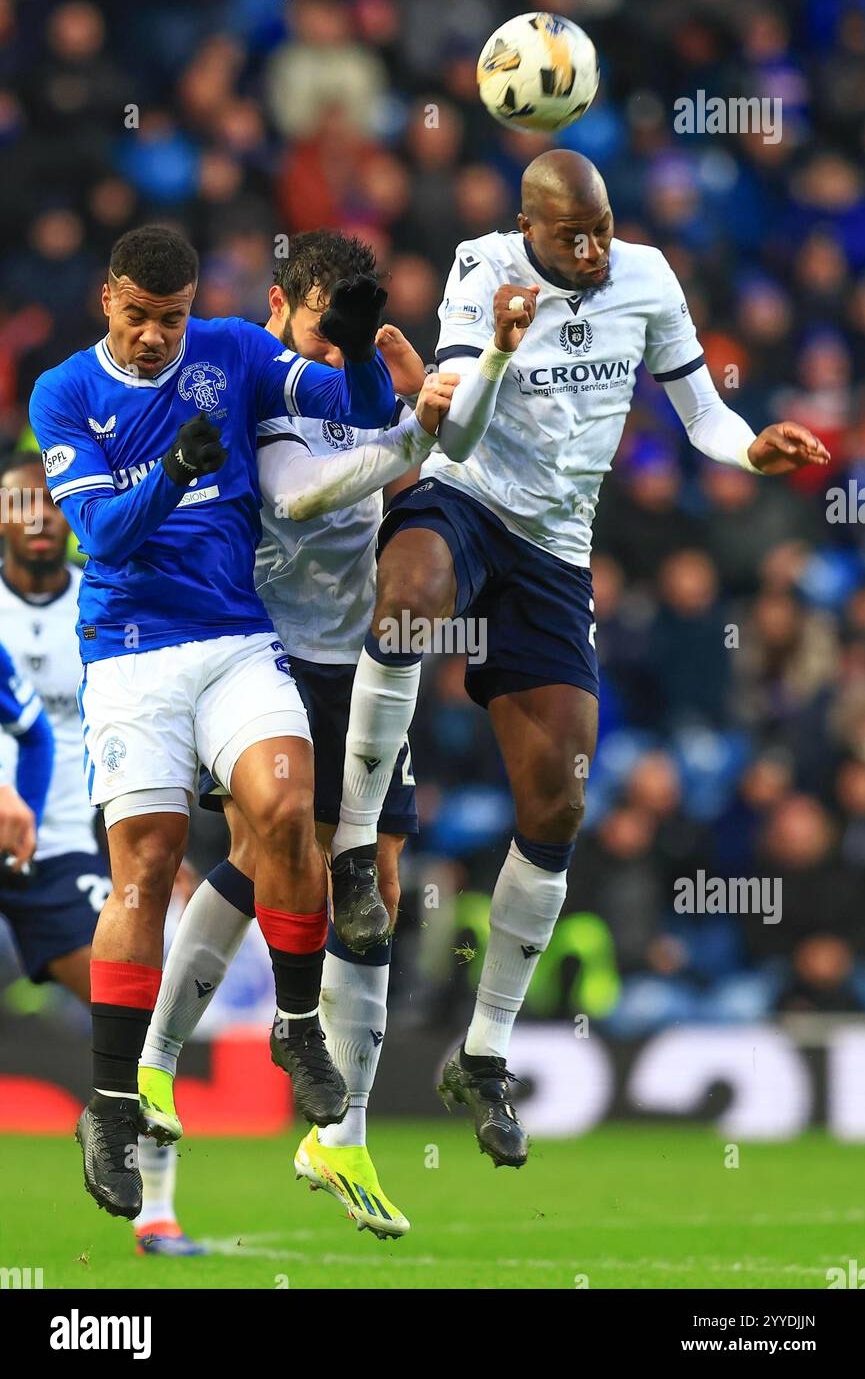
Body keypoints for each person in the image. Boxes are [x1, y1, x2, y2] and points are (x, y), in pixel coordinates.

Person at [329, 149, 830, 1169]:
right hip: (466, 504)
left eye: (601, 226)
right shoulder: (479, 267)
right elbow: (451, 429)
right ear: (528, 228)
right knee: (408, 593)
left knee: (556, 803)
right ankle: (349, 845)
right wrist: (503, 350)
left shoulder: (644, 277)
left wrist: (749, 450)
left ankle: (482, 1052)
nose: (592, 248)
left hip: (555, 551)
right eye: (571, 235)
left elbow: (699, 413)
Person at [28, 223, 397, 1220]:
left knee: (285, 808)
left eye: (173, 318)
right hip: (129, 655)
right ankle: (109, 1104)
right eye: (140, 317)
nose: (156, 338)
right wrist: (179, 470)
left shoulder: (231, 350)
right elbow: (99, 531)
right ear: (109, 298)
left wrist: (358, 355)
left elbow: (354, 413)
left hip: (235, 636)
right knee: (143, 867)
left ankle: (294, 1024)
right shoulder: (62, 393)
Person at [139, 229, 458, 1240]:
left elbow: (432, 459)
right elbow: (297, 494)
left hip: (361, 664)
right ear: (279, 304)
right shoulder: (258, 392)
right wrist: (414, 437)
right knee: (280, 855)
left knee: (381, 884)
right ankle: (155, 1060)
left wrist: (448, 391)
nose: (333, 352)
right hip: (264, 658)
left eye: (347, 335)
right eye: (322, 329)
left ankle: (342, 1135)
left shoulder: (358, 378)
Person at [0, 451, 200, 1254]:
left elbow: (152, 725)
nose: (38, 519)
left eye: (50, 505)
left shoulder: (109, 602)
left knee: (139, 1015)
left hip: (67, 848)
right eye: (20, 506)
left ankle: (154, 1210)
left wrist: (154, 845)